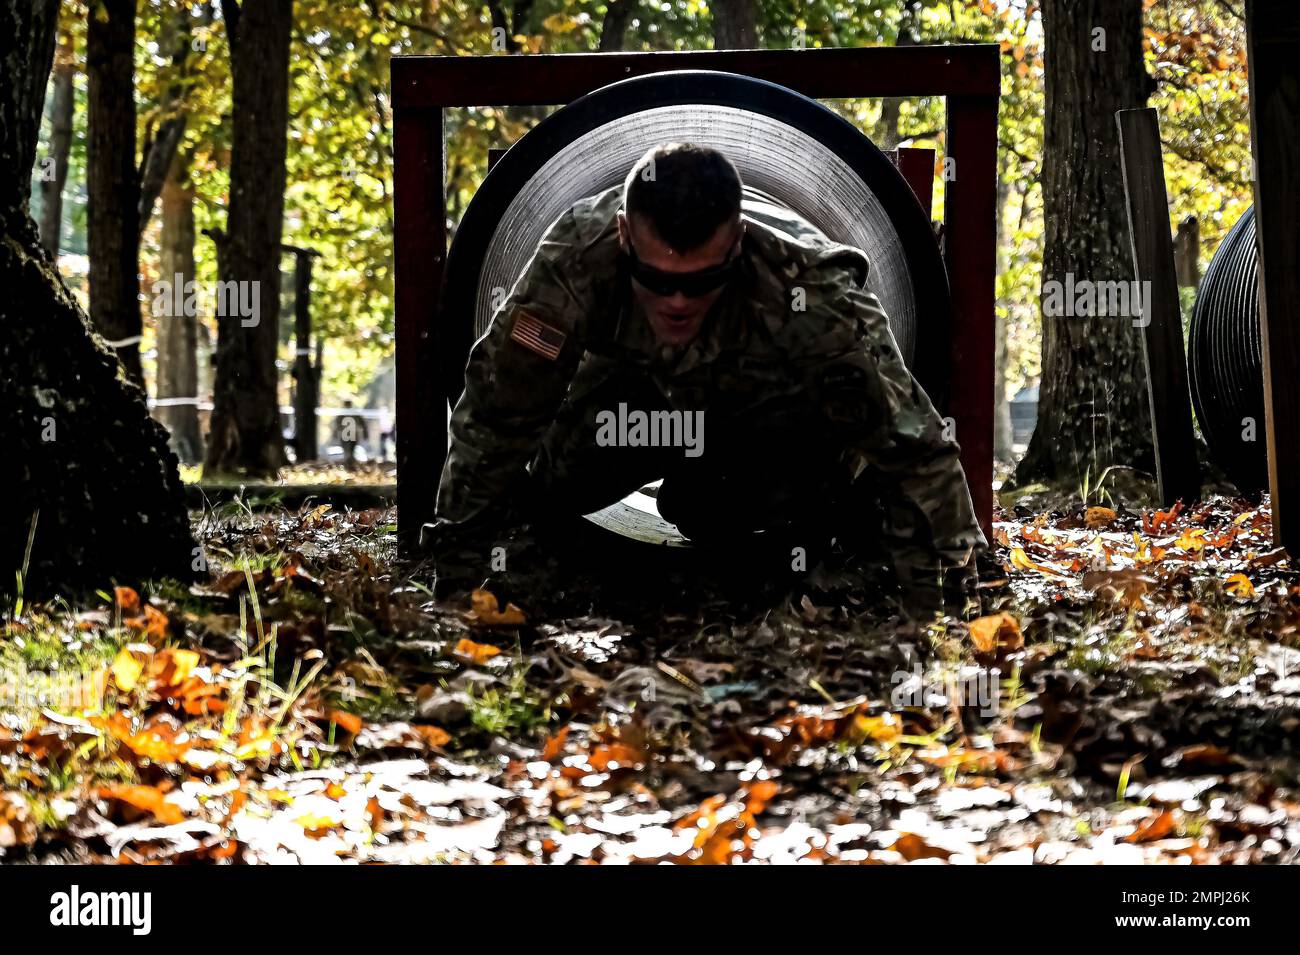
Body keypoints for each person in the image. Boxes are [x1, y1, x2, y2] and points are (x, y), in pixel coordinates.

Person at [423, 142, 986, 614]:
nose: (677, 302)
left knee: (708, 509)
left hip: (759, 424)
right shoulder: (576, 259)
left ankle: (810, 541)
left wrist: (947, 604)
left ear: (737, 244)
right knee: (553, 483)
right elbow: (495, 413)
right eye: (656, 278)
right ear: (623, 237)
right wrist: (453, 582)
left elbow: (911, 442)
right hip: (627, 410)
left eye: (701, 281)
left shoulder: (807, 285)